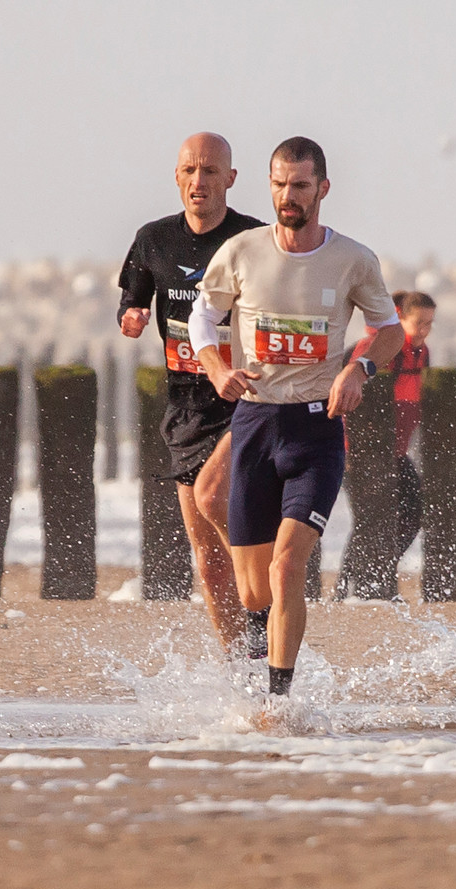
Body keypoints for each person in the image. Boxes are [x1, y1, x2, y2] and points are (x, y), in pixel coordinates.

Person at [190, 136, 405, 699]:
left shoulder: (353, 259)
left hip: (315, 431)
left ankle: (277, 700)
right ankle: (266, 643)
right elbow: (201, 320)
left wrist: (358, 372)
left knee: (288, 568)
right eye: (281, 184)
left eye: (301, 185)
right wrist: (215, 369)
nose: (289, 196)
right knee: (252, 589)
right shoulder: (241, 252)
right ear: (270, 186)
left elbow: (389, 331)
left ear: (323, 189)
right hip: (254, 426)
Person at [117, 132, 267, 656]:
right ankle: (239, 665)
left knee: (213, 498)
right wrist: (132, 317)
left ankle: (268, 604)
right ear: (176, 177)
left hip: (245, 400)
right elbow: (132, 299)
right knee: (206, 556)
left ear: (230, 177)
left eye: (209, 171)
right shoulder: (153, 239)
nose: (198, 181)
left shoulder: (254, 239)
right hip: (186, 403)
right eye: (189, 171)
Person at [334, 290, 436, 599]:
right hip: (358, 451)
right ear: (399, 319)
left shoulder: (423, 353)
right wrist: (347, 453)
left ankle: (372, 574)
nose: (424, 331)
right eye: (418, 323)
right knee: (371, 518)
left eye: (430, 324)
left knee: (413, 512)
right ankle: (350, 588)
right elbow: (346, 397)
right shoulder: (374, 351)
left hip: (394, 451)